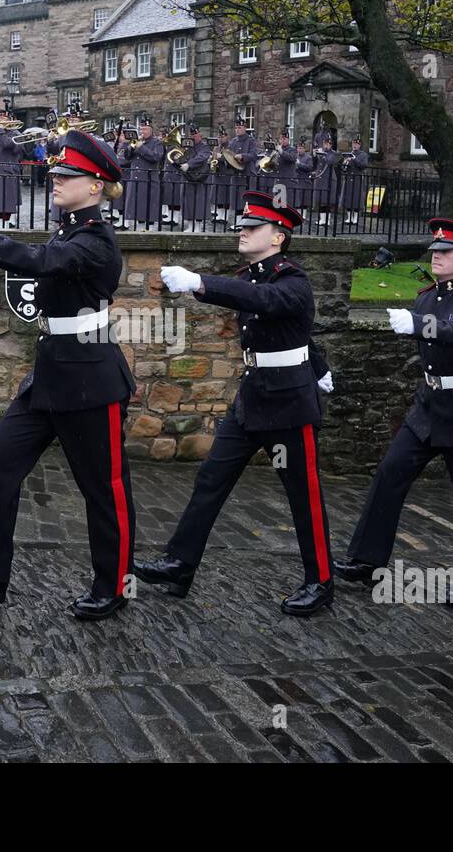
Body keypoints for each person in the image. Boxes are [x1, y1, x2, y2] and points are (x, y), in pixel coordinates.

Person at [0, 130, 138, 620]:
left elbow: (35, 261)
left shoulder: (96, 241)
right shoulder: (69, 230)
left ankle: (116, 584)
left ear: (96, 186)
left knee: (104, 488)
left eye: (67, 175)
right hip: (50, 375)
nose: (55, 180)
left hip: (91, 379)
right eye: (55, 172)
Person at [136, 191, 336, 616]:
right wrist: (318, 363)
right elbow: (276, 319)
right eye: (242, 226)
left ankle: (320, 581)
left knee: (304, 495)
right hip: (252, 397)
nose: (242, 232)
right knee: (210, 479)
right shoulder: (253, 276)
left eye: (253, 227)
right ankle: (179, 564)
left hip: (289, 405)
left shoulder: (292, 280)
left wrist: (200, 281)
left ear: (278, 237)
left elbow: (269, 305)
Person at [334, 218, 453, 605]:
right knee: (389, 475)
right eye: (435, 251)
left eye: (446, 252)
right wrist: (421, 318)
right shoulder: (427, 295)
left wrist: (419, 324)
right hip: (428, 406)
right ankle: (367, 559)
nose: (437, 257)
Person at [118, 117, 163, 230]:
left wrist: (141, 148)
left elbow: (156, 157)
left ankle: (150, 229)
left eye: (146, 129)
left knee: (149, 205)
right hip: (136, 178)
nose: (143, 132)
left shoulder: (156, 142)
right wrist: (131, 147)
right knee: (137, 205)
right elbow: (127, 157)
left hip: (148, 178)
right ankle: (140, 227)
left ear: (151, 130)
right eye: (142, 129)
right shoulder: (136, 140)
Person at [214, 118, 258, 225]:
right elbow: (229, 158)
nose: (238, 130)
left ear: (245, 128)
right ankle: (238, 222)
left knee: (245, 200)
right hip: (235, 174)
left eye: (240, 128)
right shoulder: (233, 141)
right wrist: (221, 157)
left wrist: (243, 156)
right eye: (236, 128)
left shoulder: (250, 140)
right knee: (237, 201)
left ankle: (244, 223)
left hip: (246, 174)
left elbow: (254, 155)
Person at [338, 135, 369, 226]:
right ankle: (349, 218)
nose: (354, 145)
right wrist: (345, 162)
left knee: (356, 199)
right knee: (348, 198)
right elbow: (343, 168)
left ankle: (355, 218)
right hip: (348, 178)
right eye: (353, 143)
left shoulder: (363, 154)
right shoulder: (349, 153)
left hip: (357, 178)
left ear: (359, 145)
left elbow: (363, 165)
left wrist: (354, 159)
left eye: (356, 144)